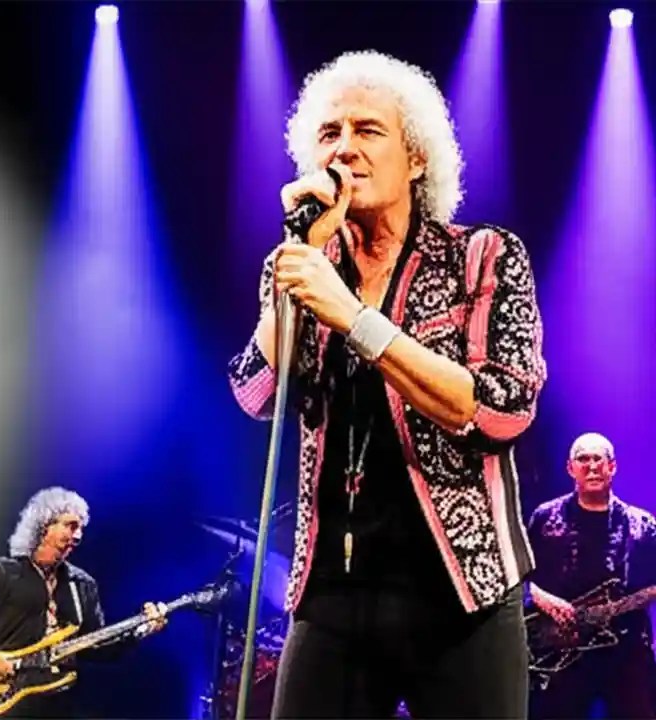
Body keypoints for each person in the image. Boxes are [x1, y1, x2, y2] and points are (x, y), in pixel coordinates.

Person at [226, 50, 547, 718]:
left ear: (419, 158)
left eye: (368, 130)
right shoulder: (302, 265)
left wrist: (352, 318)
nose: (345, 149)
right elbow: (257, 394)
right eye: (329, 133)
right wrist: (304, 261)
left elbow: (501, 408)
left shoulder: (481, 256)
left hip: (462, 598)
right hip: (332, 597)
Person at [0, 487, 167, 718]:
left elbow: (97, 649)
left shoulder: (83, 584)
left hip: (59, 703)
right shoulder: (2, 572)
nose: (77, 537)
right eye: (70, 526)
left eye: (81, 529)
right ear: (44, 526)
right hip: (5, 697)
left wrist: (142, 629)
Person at [525, 432, 656, 719]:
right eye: (583, 459)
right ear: (570, 468)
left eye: (599, 458)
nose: (592, 466)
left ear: (613, 466)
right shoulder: (545, 518)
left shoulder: (643, 526)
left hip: (626, 652)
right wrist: (539, 597)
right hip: (560, 653)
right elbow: (516, 575)